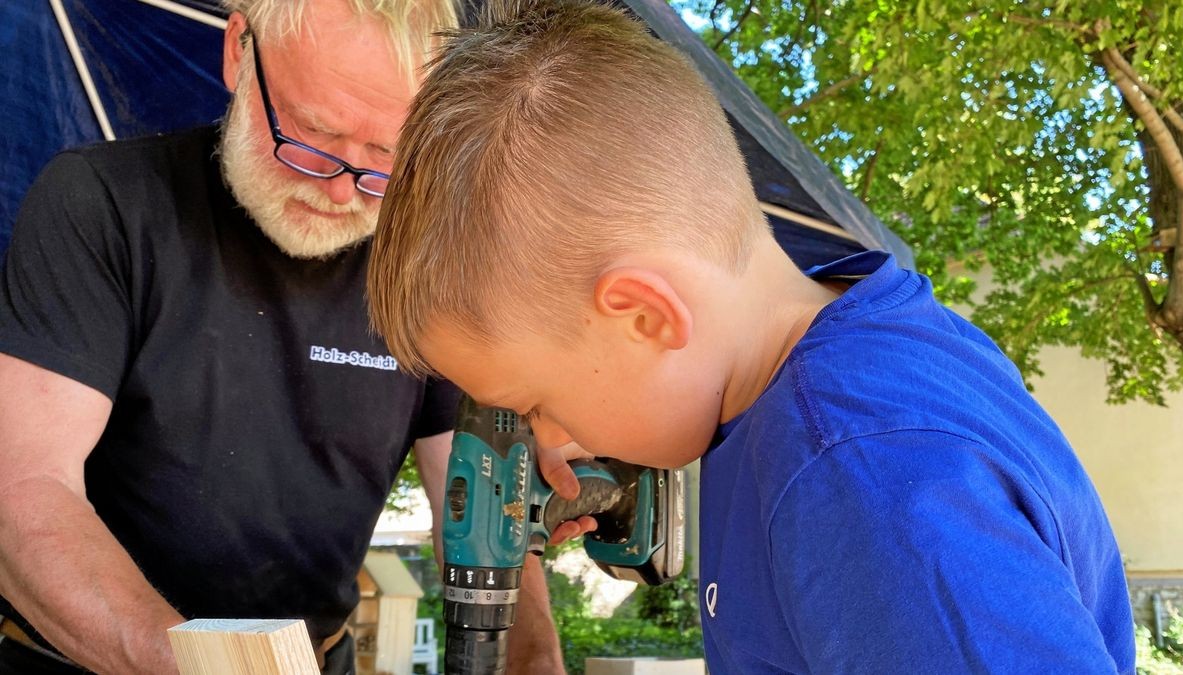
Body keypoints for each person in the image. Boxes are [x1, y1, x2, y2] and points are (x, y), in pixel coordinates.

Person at [364, 0, 1138, 672]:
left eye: (538, 402)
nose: (547, 439)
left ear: (647, 317)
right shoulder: (846, 360)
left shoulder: (861, 475)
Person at [0, 0, 567, 673]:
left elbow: (478, 510)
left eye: (385, 160)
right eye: (311, 136)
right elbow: (24, 488)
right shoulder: (103, 204)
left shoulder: (428, 275)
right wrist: (200, 665)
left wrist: (536, 659)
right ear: (240, 50)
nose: (339, 189)